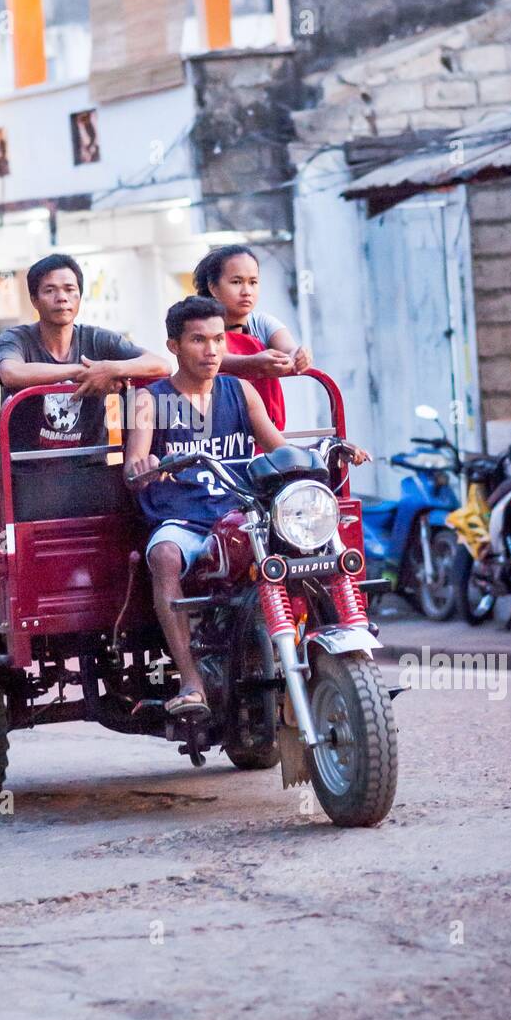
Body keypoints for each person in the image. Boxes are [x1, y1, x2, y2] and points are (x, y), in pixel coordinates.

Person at [126, 295, 370, 718]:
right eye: (198, 340)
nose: (212, 350)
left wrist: (328, 452)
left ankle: (342, 646)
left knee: (313, 544)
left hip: (242, 516)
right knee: (163, 555)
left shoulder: (239, 390)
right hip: (182, 520)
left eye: (218, 339)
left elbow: (280, 451)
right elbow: (133, 464)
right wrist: (144, 466)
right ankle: (191, 681)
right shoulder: (150, 400)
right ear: (174, 346)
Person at [0, 253, 169, 454]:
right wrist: (82, 372)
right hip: (28, 469)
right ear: (34, 300)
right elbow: (10, 373)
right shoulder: (16, 338)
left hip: (90, 465)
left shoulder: (99, 339)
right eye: (49, 290)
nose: (61, 298)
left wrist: (110, 369)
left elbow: (161, 364)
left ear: (80, 295)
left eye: (70, 290)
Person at [193, 243, 313, 430]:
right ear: (213, 288)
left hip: (263, 431)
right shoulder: (198, 324)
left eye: (253, 282)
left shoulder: (262, 323)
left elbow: (289, 349)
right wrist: (254, 364)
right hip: (216, 432)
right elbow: (210, 359)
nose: (246, 291)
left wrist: (298, 356)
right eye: (236, 282)